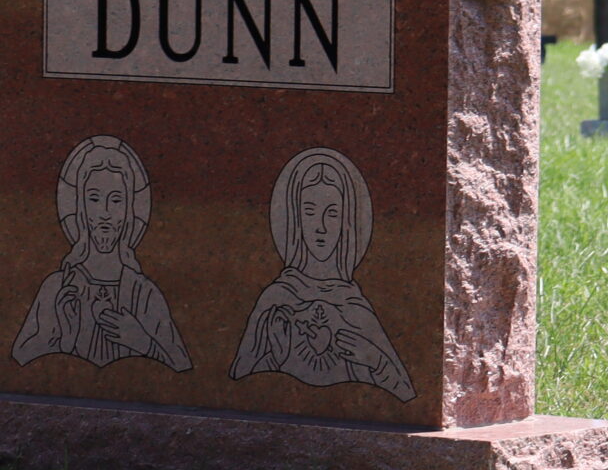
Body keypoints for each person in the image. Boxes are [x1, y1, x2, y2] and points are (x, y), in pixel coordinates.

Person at [230, 148, 414, 401]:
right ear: (295, 220)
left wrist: (374, 360)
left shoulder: (355, 305)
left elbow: (403, 393)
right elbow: (237, 385)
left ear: (346, 223)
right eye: (309, 212)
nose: (321, 227)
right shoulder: (276, 298)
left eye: (332, 213)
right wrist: (277, 355)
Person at [13, 137, 191, 371]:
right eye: (94, 199)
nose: (104, 213)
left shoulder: (144, 293)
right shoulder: (57, 288)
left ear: (129, 211)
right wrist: (62, 338)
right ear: (80, 207)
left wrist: (143, 343)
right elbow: (18, 365)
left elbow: (180, 370)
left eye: (116, 200)